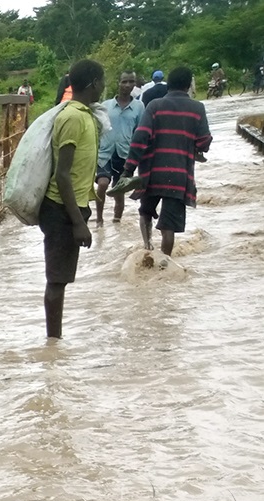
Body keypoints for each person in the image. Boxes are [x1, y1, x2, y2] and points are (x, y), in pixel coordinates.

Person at [39, 59, 105, 341]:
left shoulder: (85, 115)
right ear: (94, 83)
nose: (104, 86)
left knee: (61, 279)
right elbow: (63, 175)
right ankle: (53, 345)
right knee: (56, 280)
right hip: (61, 209)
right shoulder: (73, 118)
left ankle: (55, 343)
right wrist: (78, 223)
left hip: (71, 206)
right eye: (103, 81)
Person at [123, 66, 213, 261]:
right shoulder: (197, 108)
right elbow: (204, 141)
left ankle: (147, 248)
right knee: (168, 227)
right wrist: (194, 146)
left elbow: (140, 137)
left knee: (145, 211)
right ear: (188, 86)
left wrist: (129, 169)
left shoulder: (154, 106)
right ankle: (165, 264)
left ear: (168, 84)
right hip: (179, 176)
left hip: (151, 173)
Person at [94, 71, 142, 225]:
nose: (127, 85)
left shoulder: (139, 107)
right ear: (118, 83)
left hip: (124, 154)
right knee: (102, 184)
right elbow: (97, 128)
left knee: (119, 189)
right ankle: (99, 220)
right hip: (105, 153)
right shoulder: (105, 106)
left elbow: (140, 132)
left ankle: (117, 221)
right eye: (124, 81)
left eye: (131, 81)